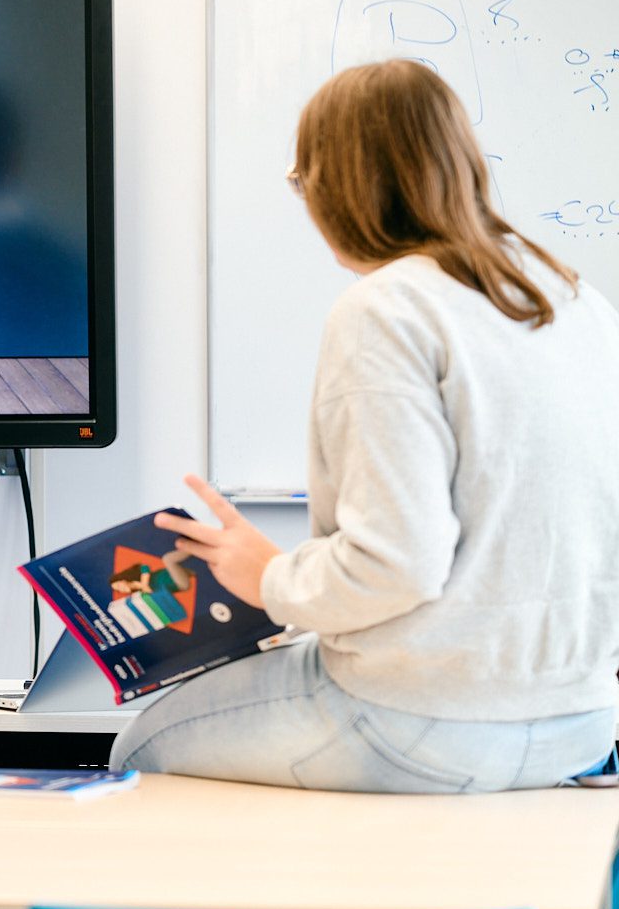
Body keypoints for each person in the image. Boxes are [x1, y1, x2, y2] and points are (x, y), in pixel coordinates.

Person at [112, 59, 619, 792]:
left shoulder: (387, 309)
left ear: (334, 185)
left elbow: (398, 565)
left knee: (140, 748)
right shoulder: (576, 300)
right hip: (581, 723)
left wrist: (271, 580)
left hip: (424, 723)